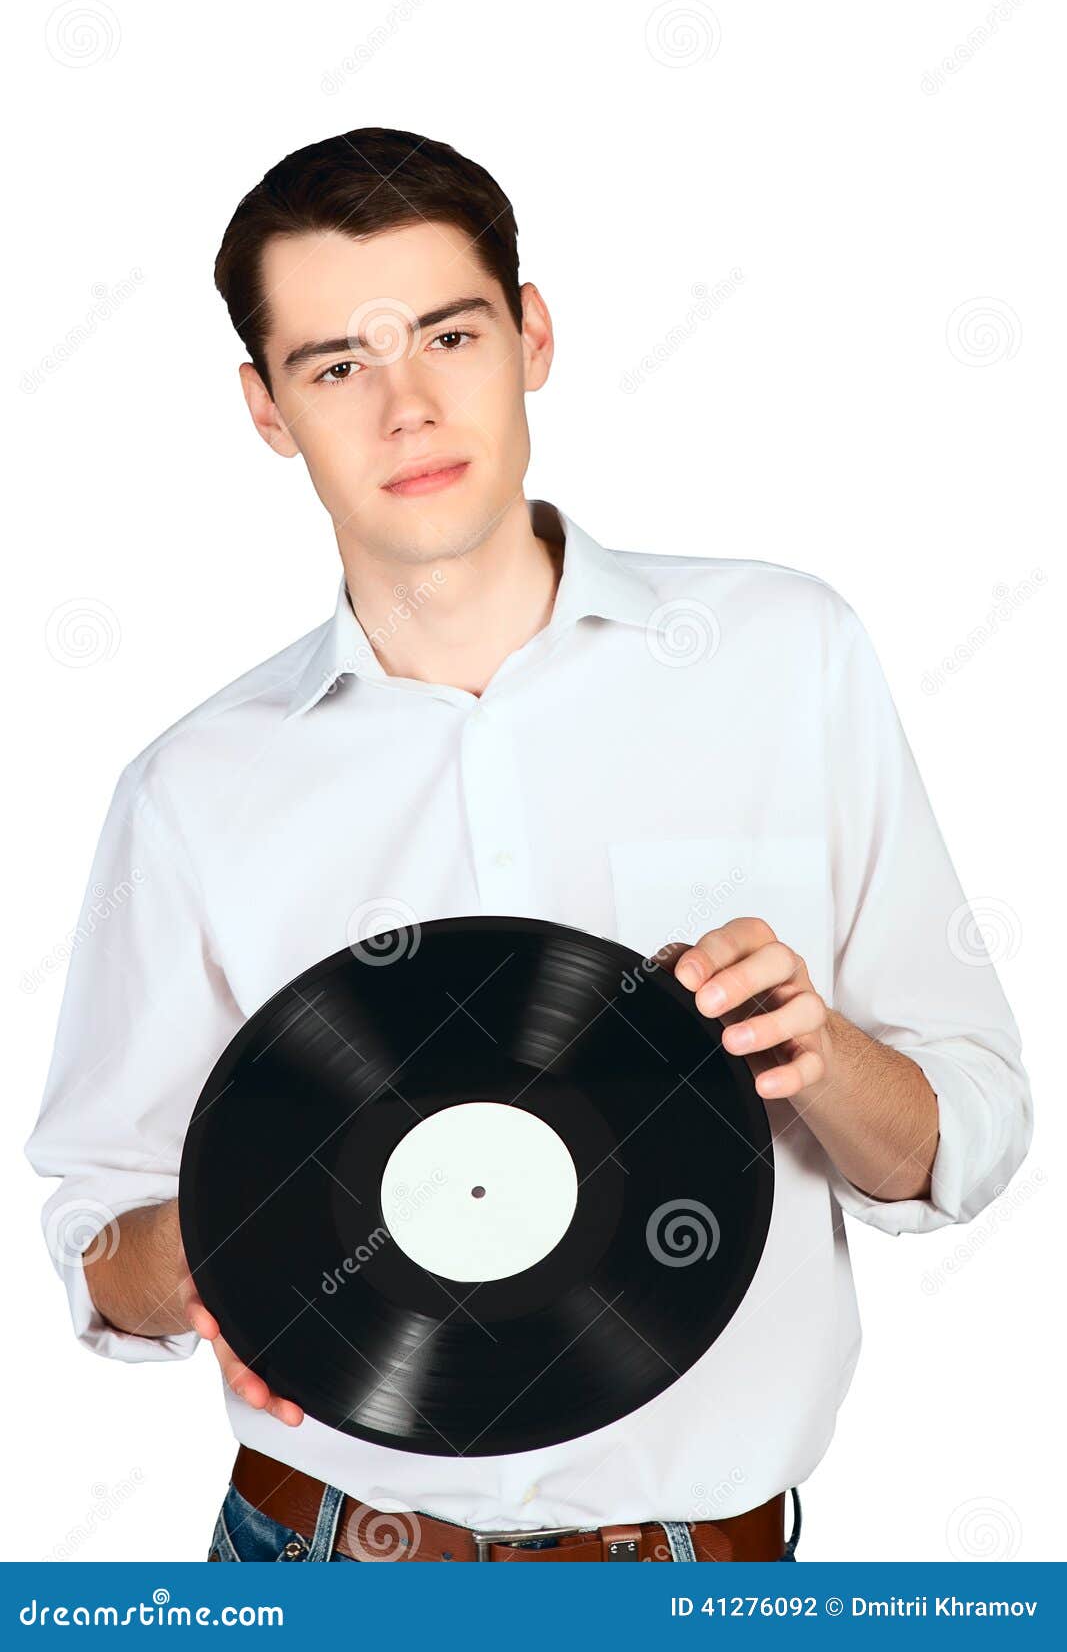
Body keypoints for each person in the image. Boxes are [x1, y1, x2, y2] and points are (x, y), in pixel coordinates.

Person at [24, 127, 1032, 1564]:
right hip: (330, 1566)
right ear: (265, 409)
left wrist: (827, 1053)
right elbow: (99, 1234)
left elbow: (969, 1129)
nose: (408, 405)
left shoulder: (784, 652)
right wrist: (213, 1257)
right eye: (334, 365)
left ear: (532, 332)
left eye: (448, 331)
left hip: (701, 1576)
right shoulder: (191, 787)